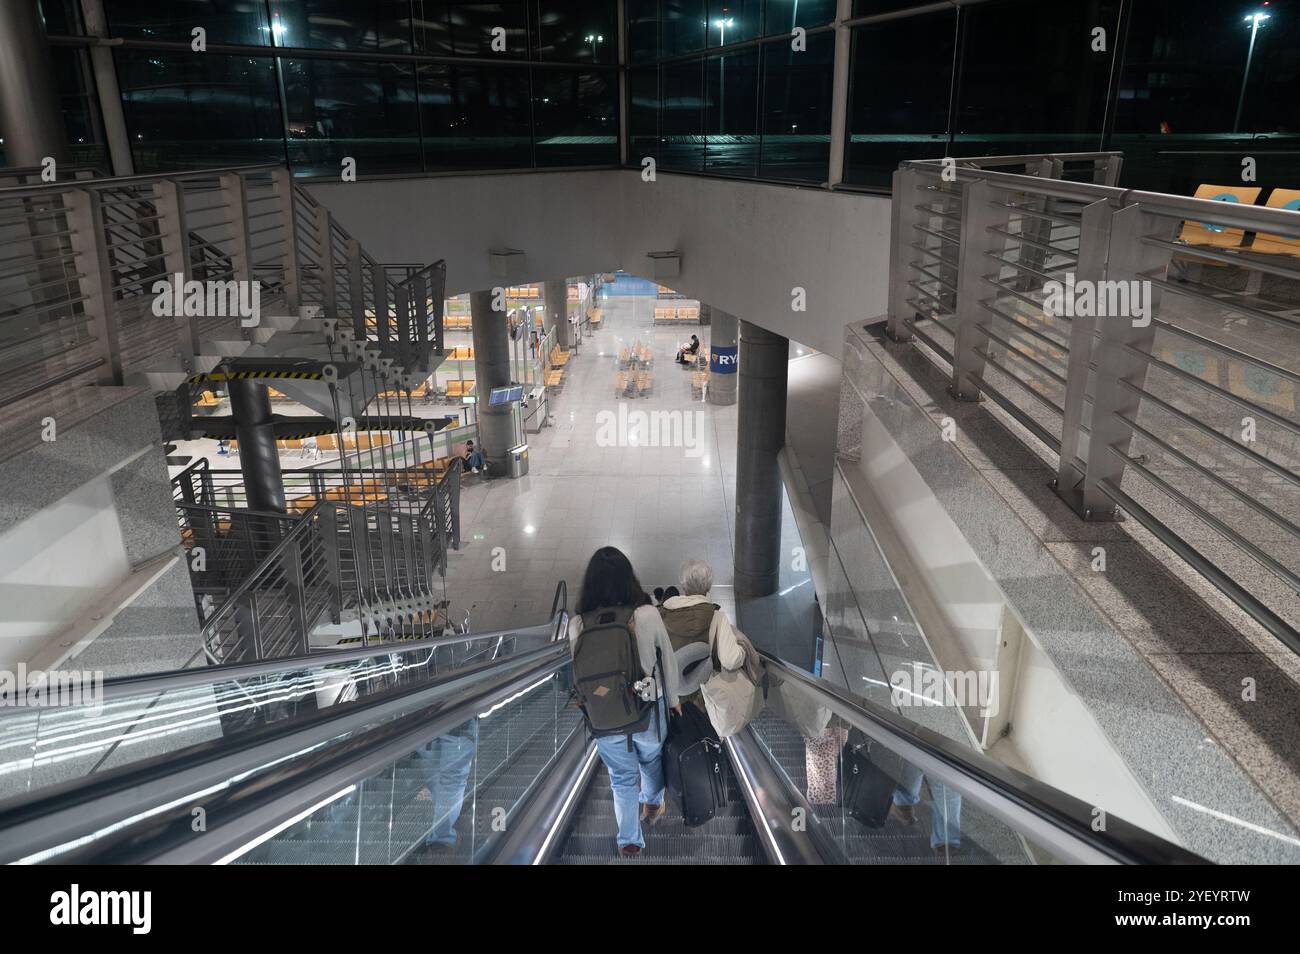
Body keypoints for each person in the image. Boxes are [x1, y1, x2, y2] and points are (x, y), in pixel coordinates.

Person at [569, 547, 681, 857]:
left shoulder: (577, 624)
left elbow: (578, 673)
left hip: (604, 718)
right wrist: (673, 700)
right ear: (628, 579)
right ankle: (653, 801)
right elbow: (667, 660)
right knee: (651, 761)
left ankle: (630, 840)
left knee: (620, 778)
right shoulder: (646, 614)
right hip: (648, 712)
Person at [658, 560, 747, 712]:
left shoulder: (661, 614)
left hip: (667, 697)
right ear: (709, 586)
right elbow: (731, 660)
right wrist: (742, 649)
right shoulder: (717, 617)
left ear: (683, 585)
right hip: (701, 700)